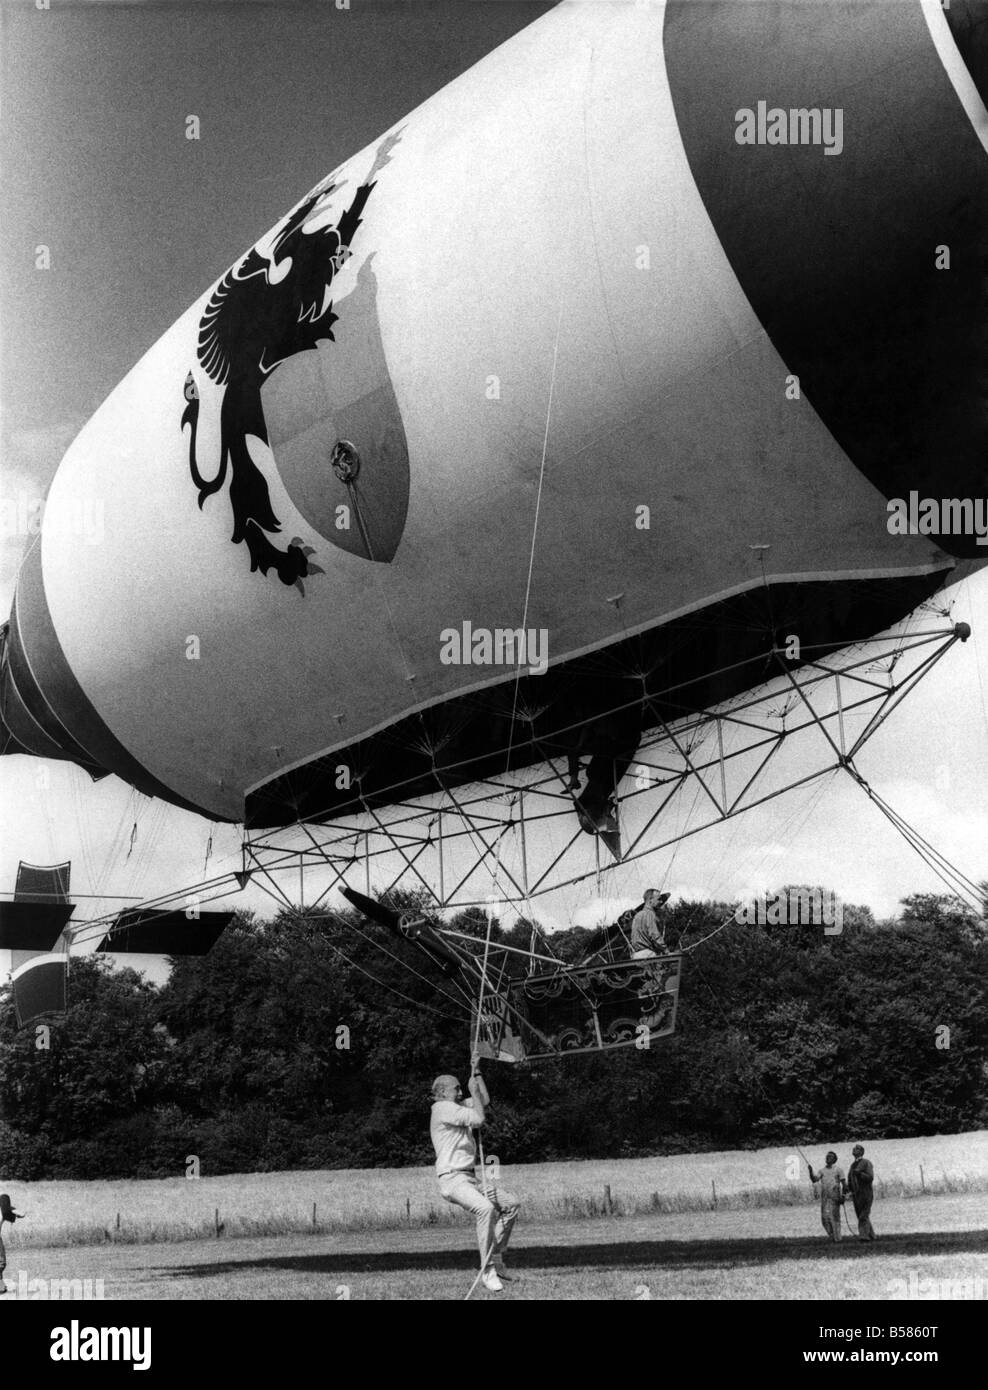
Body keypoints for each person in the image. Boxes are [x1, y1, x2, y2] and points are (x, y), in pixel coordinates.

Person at [430, 1059, 520, 1293]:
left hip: (470, 1178)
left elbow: (484, 1102)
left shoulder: (457, 1106)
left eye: (461, 1088)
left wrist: (477, 1072)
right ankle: (487, 1270)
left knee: (511, 1204)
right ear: (441, 1092)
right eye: (456, 1088)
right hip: (453, 1179)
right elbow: (479, 1118)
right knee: (485, 1209)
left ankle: (497, 1257)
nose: (460, 1091)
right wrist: (471, 1090)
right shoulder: (442, 1108)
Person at [807, 1152, 846, 1242]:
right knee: (825, 1218)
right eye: (827, 1156)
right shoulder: (822, 1171)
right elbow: (814, 1179)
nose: (828, 1158)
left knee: (835, 1217)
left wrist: (843, 1196)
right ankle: (832, 1236)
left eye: (830, 1157)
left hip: (835, 1196)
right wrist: (810, 1171)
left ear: (834, 1159)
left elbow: (844, 1184)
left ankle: (838, 1238)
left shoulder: (838, 1170)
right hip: (825, 1197)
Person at [630, 889, 671, 958]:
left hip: (636, 956)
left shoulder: (637, 916)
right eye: (658, 899)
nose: (661, 901)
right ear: (650, 900)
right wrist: (666, 950)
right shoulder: (650, 914)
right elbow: (654, 935)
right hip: (648, 955)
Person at [847, 1144, 876, 1241]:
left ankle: (864, 1236)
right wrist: (848, 1190)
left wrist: (860, 1174)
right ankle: (872, 1235)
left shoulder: (866, 1162)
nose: (855, 1150)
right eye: (854, 1148)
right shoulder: (852, 1165)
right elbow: (849, 1179)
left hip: (866, 1193)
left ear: (862, 1152)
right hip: (856, 1194)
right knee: (862, 1215)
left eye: (857, 1149)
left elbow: (870, 1177)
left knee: (863, 1215)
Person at [0, 1194, 23, 1294]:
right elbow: (22, 1214)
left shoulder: (3, 1211)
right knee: (1, 1264)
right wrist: (12, 1209)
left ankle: (1, 1288)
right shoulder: (4, 1211)